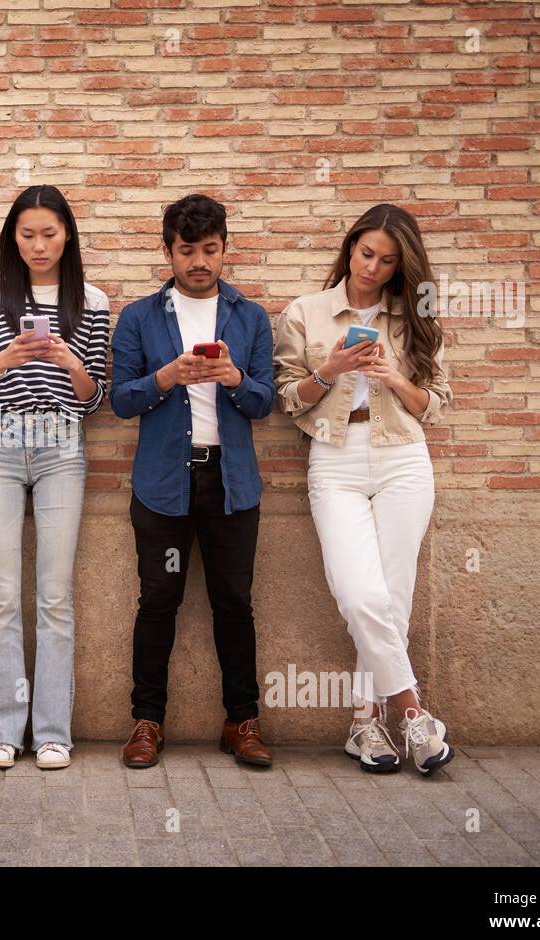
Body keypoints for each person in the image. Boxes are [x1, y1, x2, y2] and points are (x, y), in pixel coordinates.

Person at [273, 203, 455, 774]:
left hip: (403, 459)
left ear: (403, 266)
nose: (372, 267)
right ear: (350, 247)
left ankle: (364, 724)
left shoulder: (414, 316)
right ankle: (414, 713)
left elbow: (436, 406)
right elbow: (286, 399)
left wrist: (393, 376)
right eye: (366, 252)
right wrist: (329, 369)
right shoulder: (307, 311)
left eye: (387, 260)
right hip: (336, 459)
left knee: (392, 601)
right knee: (359, 596)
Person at [110, 193, 275, 771]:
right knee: (158, 601)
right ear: (168, 252)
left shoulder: (250, 317)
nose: (199, 261)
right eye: (187, 251)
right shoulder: (139, 317)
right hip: (163, 484)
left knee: (235, 603)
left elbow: (265, 404)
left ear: (225, 250)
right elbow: (120, 399)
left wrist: (233, 377)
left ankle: (242, 721)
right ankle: (146, 723)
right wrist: (166, 376)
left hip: (231, 484)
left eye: (210, 250)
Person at [0, 185, 110, 771]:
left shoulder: (92, 300)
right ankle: (1, 731)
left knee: (54, 597)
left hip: (60, 448)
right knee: (2, 597)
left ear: (67, 235)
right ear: (12, 237)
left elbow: (96, 398)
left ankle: (52, 732)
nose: (39, 245)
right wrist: (5, 361)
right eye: (27, 235)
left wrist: (69, 361)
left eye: (49, 234)